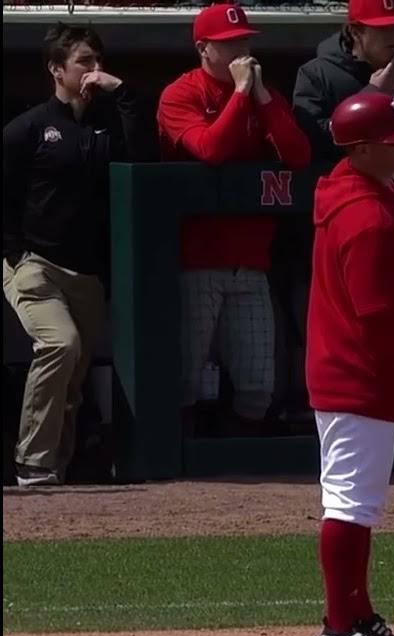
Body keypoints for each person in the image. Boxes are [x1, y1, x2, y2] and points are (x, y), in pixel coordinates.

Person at [2, 23, 151, 487]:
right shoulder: (28, 127)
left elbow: (144, 154)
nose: (94, 69)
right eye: (84, 61)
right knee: (58, 344)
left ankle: (56, 472)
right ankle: (33, 463)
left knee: (71, 377)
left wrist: (120, 90)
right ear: (56, 69)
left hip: (87, 273)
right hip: (35, 266)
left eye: (98, 61)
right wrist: (16, 254)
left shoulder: (108, 123)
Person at [306, 92, 394, 636]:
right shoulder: (367, 217)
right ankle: (339, 624)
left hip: (346, 370)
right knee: (350, 503)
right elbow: (379, 319)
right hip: (358, 373)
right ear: (365, 148)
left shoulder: (351, 189)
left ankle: (353, 612)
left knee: (356, 502)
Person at [157, 3, 311, 436]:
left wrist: (259, 96)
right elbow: (210, 150)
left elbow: (298, 155)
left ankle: (237, 476)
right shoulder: (181, 93)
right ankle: (182, 472)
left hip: (252, 258)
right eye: (229, 44)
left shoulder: (262, 92)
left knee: (259, 385)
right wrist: (242, 95)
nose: (241, 51)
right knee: (186, 378)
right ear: (203, 48)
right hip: (196, 259)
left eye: (244, 40)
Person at [292, 0, 394, 162]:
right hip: (348, 183)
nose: (393, 36)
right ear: (355, 32)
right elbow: (313, 143)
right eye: (383, 29)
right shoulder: (316, 75)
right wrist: (371, 96)